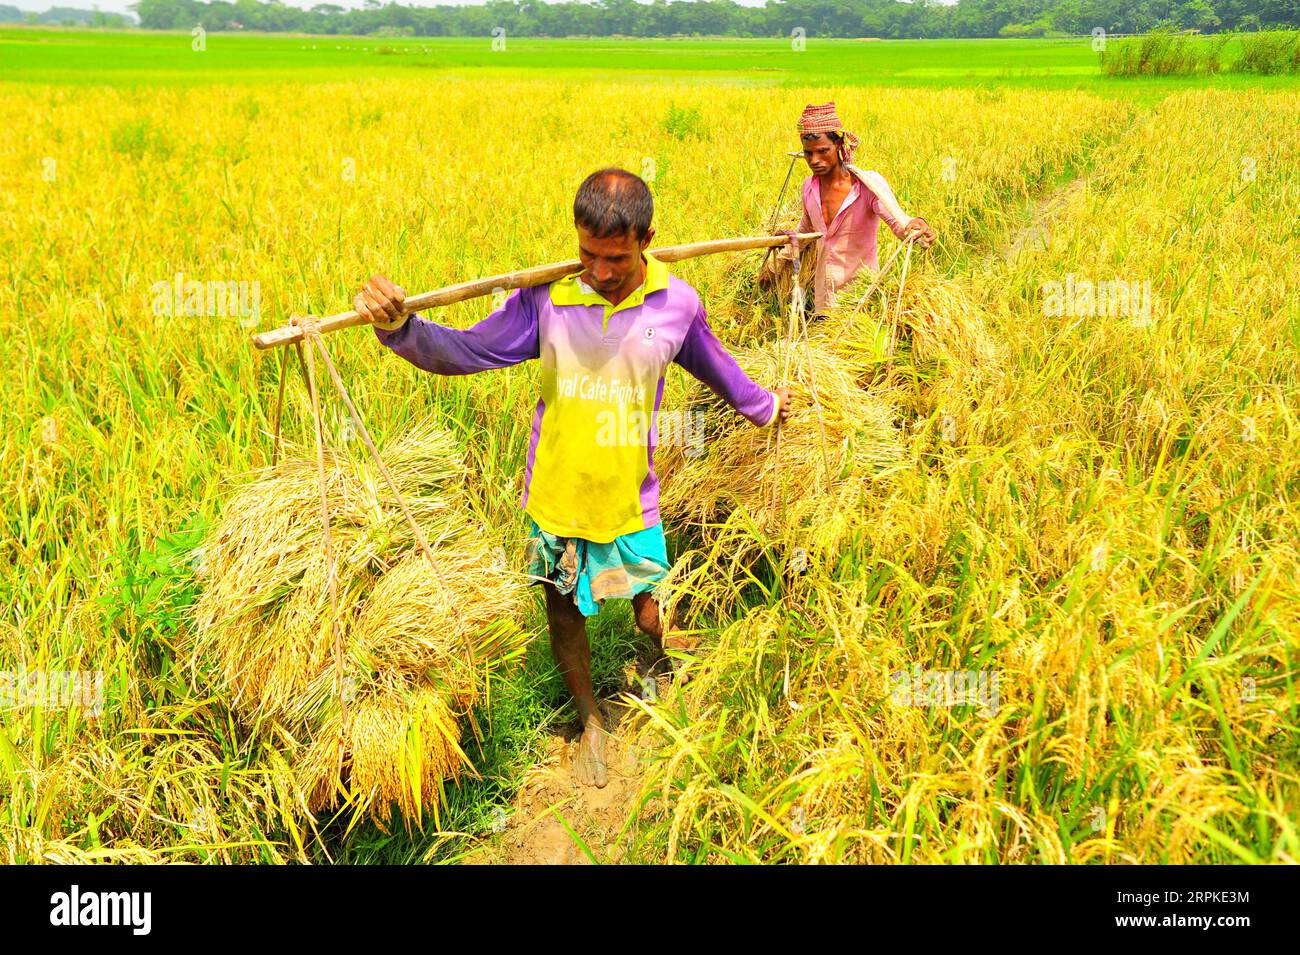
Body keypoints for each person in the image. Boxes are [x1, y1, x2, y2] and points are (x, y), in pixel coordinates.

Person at [345, 169, 792, 788]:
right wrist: (399, 328)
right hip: (555, 497)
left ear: (647, 240)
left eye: (616, 258)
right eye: (587, 254)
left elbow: (717, 367)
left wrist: (766, 407)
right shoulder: (548, 301)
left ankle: (656, 665)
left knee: (647, 607)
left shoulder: (677, 305)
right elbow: (466, 351)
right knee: (563, 615)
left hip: (632, 493)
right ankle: (590, 722)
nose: (601, 272)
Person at [760, 101, 936, 315]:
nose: (814, 160)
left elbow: (897, 223)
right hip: (824, 300)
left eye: (823, 151)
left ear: (839, 146)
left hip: (861, 299)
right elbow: (805, 232)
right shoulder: (809, 187)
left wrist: (915, 229)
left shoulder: (867, 185)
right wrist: (776, 264)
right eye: (808, 153)